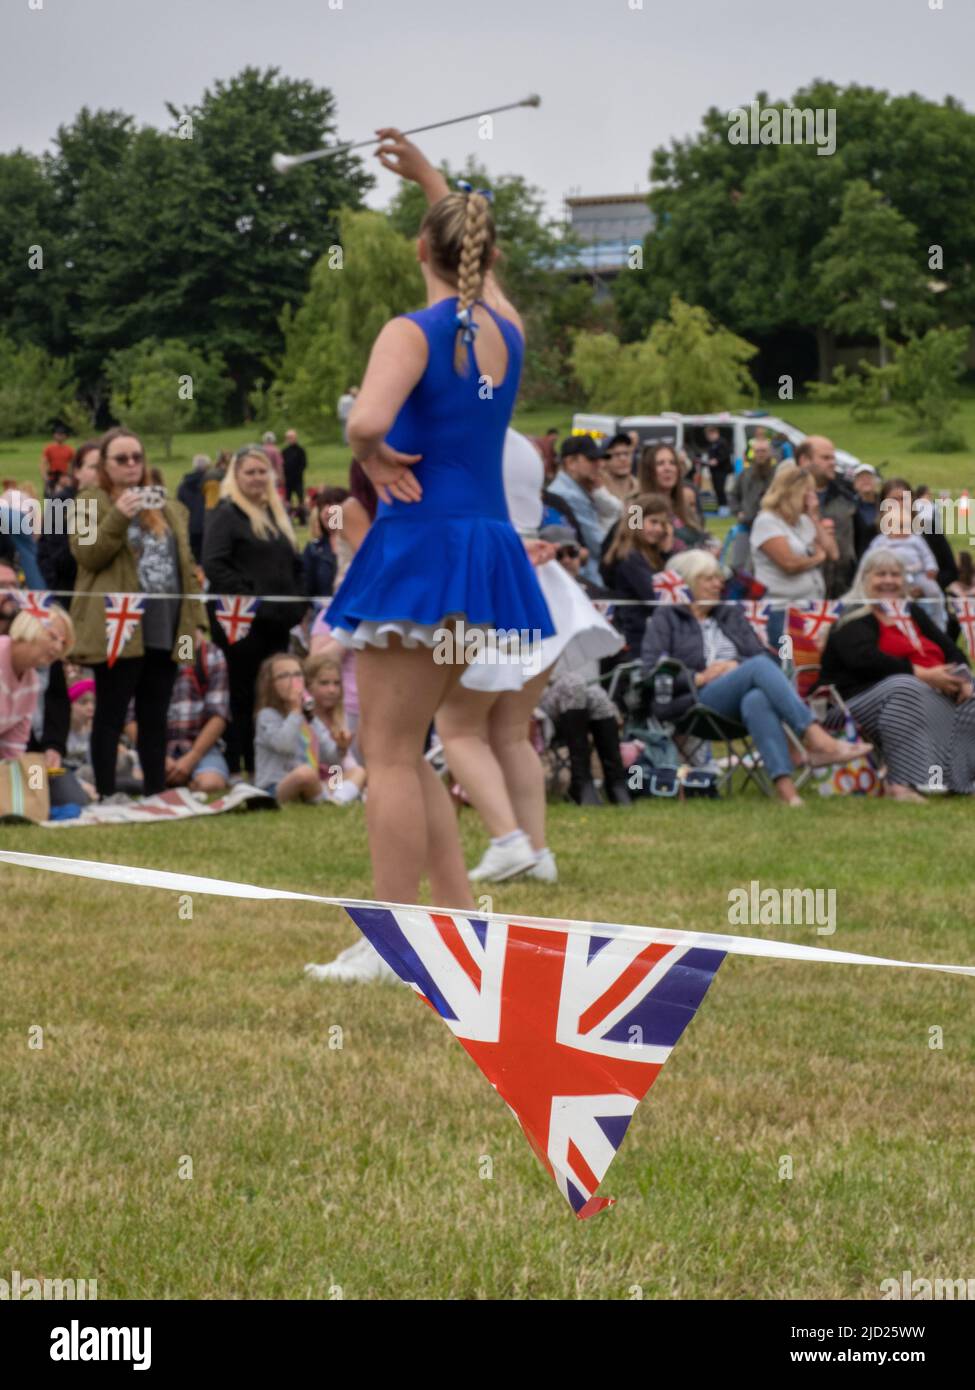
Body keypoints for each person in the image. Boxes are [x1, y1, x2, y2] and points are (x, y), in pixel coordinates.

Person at [318, 129, 554, 917]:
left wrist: (374, 455)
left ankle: (395, 940)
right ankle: (450, 921)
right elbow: (469, 259)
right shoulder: (506, 331)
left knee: (381, 753)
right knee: (406, 745)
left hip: (424, 548)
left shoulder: (409, 331)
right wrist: (430, 178)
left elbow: (363, 421)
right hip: (484, 551)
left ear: (418, 247)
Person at [435, 429, 624, 883]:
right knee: (511, 732)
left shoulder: (465, 438)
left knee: (458, 727)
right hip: (534, 582)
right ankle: (537, 852)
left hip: (487, 575)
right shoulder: (522, 445)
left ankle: (508, 841)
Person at [641, 549, 871, 806]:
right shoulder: (666, 618)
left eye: (719, 578)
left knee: (757, 698)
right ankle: (815, 738)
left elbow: (764, 656)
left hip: (736, 700)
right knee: (758, 667)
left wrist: (733, 666)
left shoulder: (730, 614)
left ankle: (787, 792)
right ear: (687, 583)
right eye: (709, 579)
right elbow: (651, 672)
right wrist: (700, 677)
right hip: (694, 702)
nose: (719, 584)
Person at [70, 427, 203, 799]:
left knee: (155, 713)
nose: (131, 465)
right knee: (111, 712)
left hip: (165, 620)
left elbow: (186, 564)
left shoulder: (164, 504)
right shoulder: (86, 500)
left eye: (136, 458)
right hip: (118, 623)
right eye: (121, 459)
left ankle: (156, 791)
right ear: (104, 466)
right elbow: (86, 554)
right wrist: (118, 516)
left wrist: (195, 621)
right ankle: (107, 794)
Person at [821, 549, 974, 800]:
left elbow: (952, 650)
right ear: (864, 578)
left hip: (929, 692)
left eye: (895, 574)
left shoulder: (911, 612)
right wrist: (923, 675)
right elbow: (864, 660)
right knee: (903, 687)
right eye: (880, 574)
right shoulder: (851, 614)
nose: (889, 581)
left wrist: (961, 678)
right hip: (853, 702)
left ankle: (960, 782)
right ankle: (901, 783)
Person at [202, 445, 307, 777]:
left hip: (278, 621)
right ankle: (238, 762)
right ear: (236, 475)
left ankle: (272, 763)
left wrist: (299, 599)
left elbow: (293, 563)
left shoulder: (277, 514)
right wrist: (252, 600)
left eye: (263, 472)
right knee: (243, 691)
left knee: (273, 692)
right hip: (241, 623)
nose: (258, 478)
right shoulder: (226, 513)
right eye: (250, 472)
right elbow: (214, 564)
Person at [750, 462, 836, 649]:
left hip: (810, 608)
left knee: (809, 666)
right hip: (782, 611)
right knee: (788, 664)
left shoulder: (803, 521)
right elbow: (788, 564)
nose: (813, 497)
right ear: (794, 492)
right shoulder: (767, 521)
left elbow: (833, 553)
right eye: (809, 492)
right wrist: (817, 558)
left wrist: (814, 516)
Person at [601, 492, 677, 654]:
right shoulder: (630, 557)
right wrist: (667, 554)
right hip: (636, 636)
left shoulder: (651, 554)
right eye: (653, 522)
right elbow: (655, 595)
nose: (658, 529)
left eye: (663, 524)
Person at [866, 478, 946, 629]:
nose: (899, 504)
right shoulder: (874, 534)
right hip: (886, 601)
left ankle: (939, 623)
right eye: (893, 500)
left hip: (923, 593)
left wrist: (924, 585)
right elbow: (865, 567)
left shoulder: (928, 530)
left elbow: (948, 570)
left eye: (904, 499)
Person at [0, 605, 72, 763]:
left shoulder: (32, 682)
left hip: (36, 758)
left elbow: (13, 747)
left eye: (63, 643)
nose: (58, 648)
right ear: (30, 628)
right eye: (53, 637)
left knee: (39, 783)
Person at [253, 652, 326, 803]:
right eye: (285, 676)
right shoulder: (267, 716)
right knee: (304, 774)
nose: (294, 682)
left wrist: (341, 748)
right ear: (270, 684)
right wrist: (295, 710)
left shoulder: (309, 718)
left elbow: (330, 756)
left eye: (298, 674)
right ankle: (325, 798)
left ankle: (337, 795)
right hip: (275, 788)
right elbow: (285, 745)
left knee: (345, 771)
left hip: (308, 782)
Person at [165, 628, 231, 794]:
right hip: (156, 748)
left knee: (210, 784)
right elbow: (130, 716)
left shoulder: (201, 650)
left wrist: (191, 758)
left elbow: (219, 715)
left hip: (199, 747)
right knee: (135, 779)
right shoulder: (152, 648)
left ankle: (180, 779)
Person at [547, 436, 618, 584]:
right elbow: (600, 546)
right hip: (588, 576)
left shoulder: (594, 486)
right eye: (592, 460)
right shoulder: (570, 494)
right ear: (570, 463)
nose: (600, 464)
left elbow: (627, 512)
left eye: (628, 453)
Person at [794, 435, 859, 596]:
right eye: (825, 458)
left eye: (833, 458)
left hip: (841, 587)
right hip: (799, 588)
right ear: (804, 460)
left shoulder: (846, 496)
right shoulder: (786, 499)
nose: (832, 463)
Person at [304, 651, 365, 802]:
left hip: (332, 778)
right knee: (357, 773)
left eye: (336, 683)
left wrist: (343, 749)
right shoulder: (305, 717)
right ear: (309, 686)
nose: (332, 690)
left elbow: (344, 762)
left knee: (358, 771)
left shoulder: (339, 716)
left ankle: (338, 797)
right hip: (308, 779)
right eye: (324, 683)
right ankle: (343, 794)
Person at [637, 443, 709, 548]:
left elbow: (699, 534)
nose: (668, 468)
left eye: (673, 463)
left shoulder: (684, 505)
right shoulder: (636, 507)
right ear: (649, 471)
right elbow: (631, 546)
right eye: (660, 464)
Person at [302, 488, 346, 599]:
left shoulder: (361, 546)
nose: (327, 511)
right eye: (322, 507)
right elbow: (306, 589)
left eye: (333, 505)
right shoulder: (313, 549)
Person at [177, 454, 210, 563]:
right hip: (208, 527)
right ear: (207, 467)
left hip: (190, 527)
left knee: (193, 560)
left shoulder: (183, 486)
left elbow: (179, 508)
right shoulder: (211, 484)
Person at [601, 432, 638, 504]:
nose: (623, 459)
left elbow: (638, 515)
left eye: (626, 453)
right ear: (604, 460)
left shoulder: (641, 489)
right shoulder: (599, 490)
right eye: (616, 454)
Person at [704, 426, 733, 515]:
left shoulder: (722, 442)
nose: (708, 437)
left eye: (709, 435)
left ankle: (724, 507)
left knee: (720, 489)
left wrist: (716, 460)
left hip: (722, 470)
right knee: (716, 489)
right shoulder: (712, 444)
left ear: (714, 433)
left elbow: (725, 455)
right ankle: (720, 506)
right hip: (714, 471)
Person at [852, 465, 880, 553]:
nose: (865, 481)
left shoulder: (885, 502)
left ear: (876, 481)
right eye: (861, 478)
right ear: (855, 484)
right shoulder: (850, 506)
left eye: (869, 477)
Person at [282, 429, 308, 521]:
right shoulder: (285, 451)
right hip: (288, 480)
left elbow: (304, 464)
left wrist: (298, 472)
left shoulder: (300, 450)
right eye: (289, 438)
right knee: (287, 500)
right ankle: (288, 519)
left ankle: (302, 519)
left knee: (300, 498)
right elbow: (282, 465)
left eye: (292, 437)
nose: (291, 439)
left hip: (298, 479)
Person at [41, 426, 74, 495]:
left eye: (62, 435)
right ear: (54, 435)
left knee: (64, 499)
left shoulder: (69, 450)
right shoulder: (49, 448)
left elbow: (72, 465)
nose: (60, 437)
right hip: (52, 477)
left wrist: (70, 477)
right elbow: (44, 463)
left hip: (63, 478)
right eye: (58, 434)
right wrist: (45, 477)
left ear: (65, 436)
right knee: (51, 498)